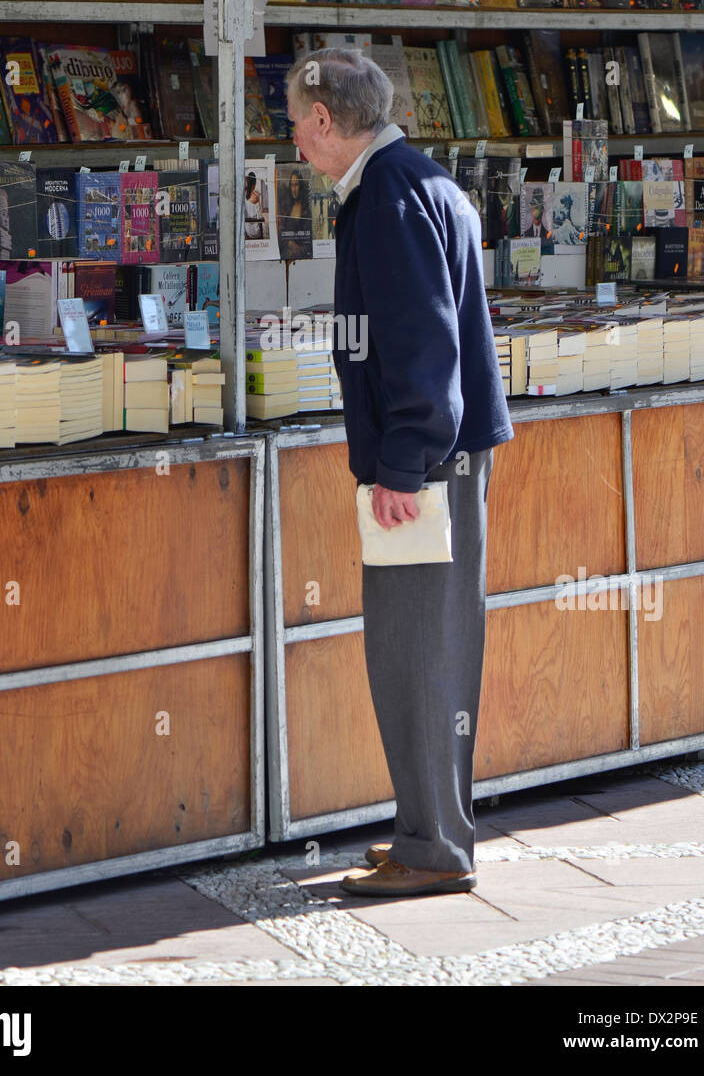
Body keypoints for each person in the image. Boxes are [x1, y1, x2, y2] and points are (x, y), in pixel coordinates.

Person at [285, 48, 514, 898]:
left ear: (323, 118)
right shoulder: (420, 183)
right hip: (438, 458)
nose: (294, 145)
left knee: (415, 656)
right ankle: (429, 833)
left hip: (426, 466)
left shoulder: (387, 197)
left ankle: (431, 848)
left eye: (296, 125)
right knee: (430, 652)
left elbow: (421, 343)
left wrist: (402, 466)